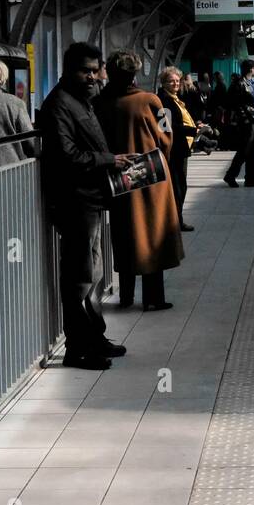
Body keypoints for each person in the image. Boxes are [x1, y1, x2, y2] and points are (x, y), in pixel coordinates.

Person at [37, 42, 131, 370]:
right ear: (69, 70)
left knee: (93, 272)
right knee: (79, 277)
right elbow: (65, 156)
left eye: (95, 70)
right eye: (85, 71)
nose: (92, 77)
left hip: (89, 198)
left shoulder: (81, 101)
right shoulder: (60, 105)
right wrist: (109, 159)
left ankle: (95, 337)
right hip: (74, 200)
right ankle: (78, 348)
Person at [94, 51, 183, 312]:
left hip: (118, 177)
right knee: (153, 235)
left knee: (126, 233)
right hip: (152, 177)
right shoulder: (152, 100)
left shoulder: (99, 103)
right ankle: (154, 298)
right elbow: (167, 136)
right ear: (134, 74)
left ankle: (126, 296)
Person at [157, 66, 196, 232]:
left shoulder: (174, 99)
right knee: (177, 187)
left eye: (178, 81)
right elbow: (166, 127)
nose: (175, 83)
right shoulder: (164, 101)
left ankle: (176, 220)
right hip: (173, 151)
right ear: (164, 82)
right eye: (171, 81)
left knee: (180, 186)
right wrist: (193, 130)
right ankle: (175, 221)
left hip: (180, 148)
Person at [223, 59, 254, 188]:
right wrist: (245, 118)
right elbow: (233, 103)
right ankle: (230, 175)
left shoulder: (251, 83)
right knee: (244, 151)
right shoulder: (239, 84)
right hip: (248, 123)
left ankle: (251, 178)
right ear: (250, 69)